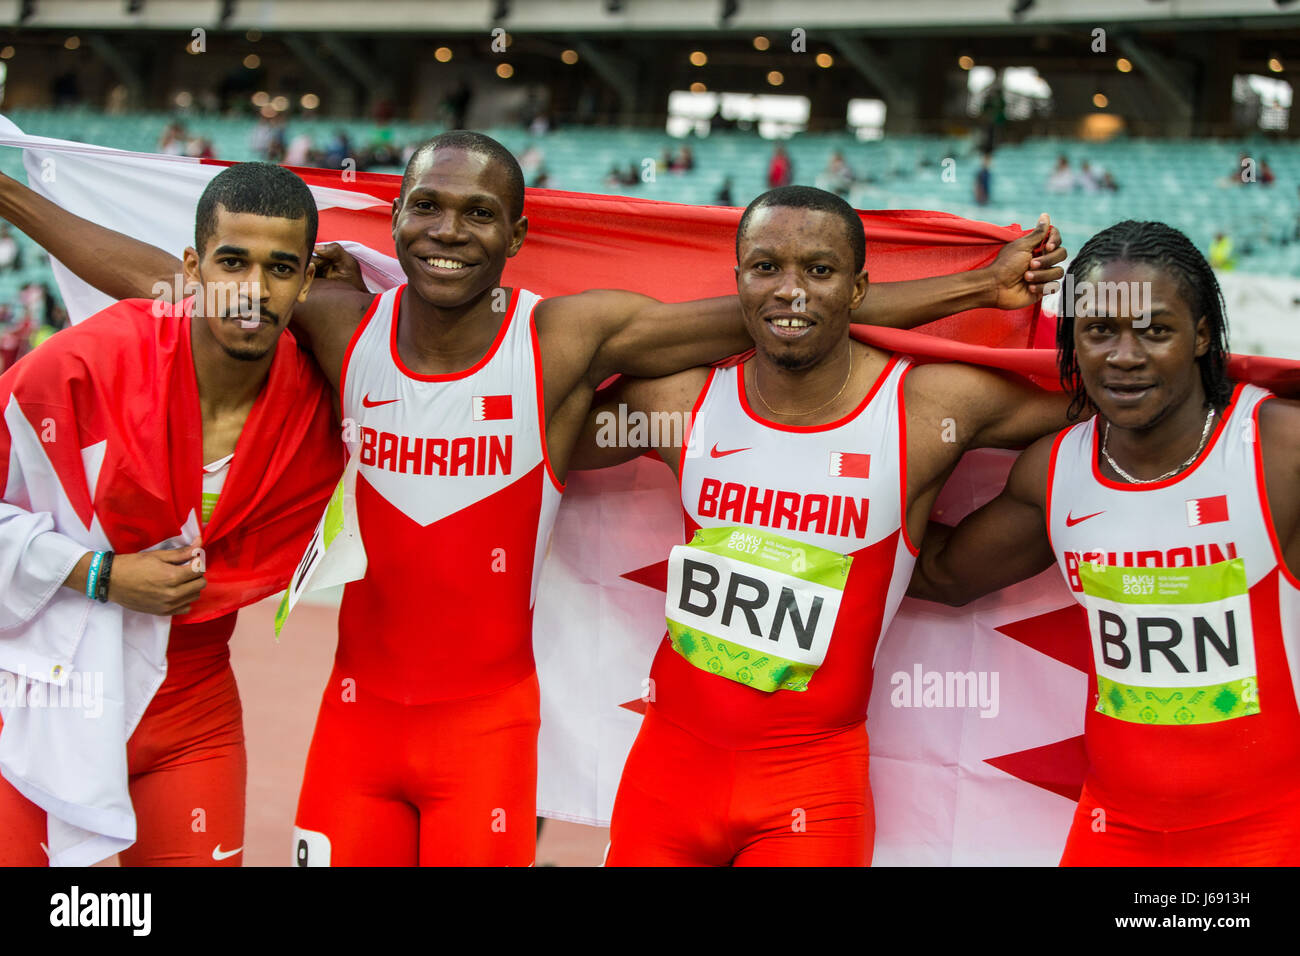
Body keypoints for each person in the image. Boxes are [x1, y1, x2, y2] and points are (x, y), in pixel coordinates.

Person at [0, 133, 1066, 866]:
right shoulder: (332, 320)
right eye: (425, 205)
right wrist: (10, 192)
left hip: (486, 740)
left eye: (477, 214)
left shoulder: (560, 340)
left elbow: (774, 312)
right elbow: (168, 281)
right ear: (398, 221)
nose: (448, 229)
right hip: (352, 732)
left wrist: (974, 288)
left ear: (514, 238)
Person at [572, 186, 1071, 866]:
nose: (791, 290)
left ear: (860, 287)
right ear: (737, 279)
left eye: (820, 270)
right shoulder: (682, 401)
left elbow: (1109, 411)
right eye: (765, 268)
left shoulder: (925, 407)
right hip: (667, 775)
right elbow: (539, 428)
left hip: (812, 792)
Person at [906, 220, 1300, 865]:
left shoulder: (1279, 452)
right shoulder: (1055, 470)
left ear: (1202, 334)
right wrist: (821, 512)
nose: (1123, 356)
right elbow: (945, 575)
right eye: (1099, 331)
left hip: (1270, 833)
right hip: (1113, 834)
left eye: (1155, 330)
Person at [0, 163, 344, 866]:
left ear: (307, 282)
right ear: (193, 267)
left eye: (281, 268)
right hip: (39, 696)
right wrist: (94, 571)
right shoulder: (90, 363)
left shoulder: (328, 398)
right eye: (232, 263)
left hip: (192, 714)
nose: (253, 290)